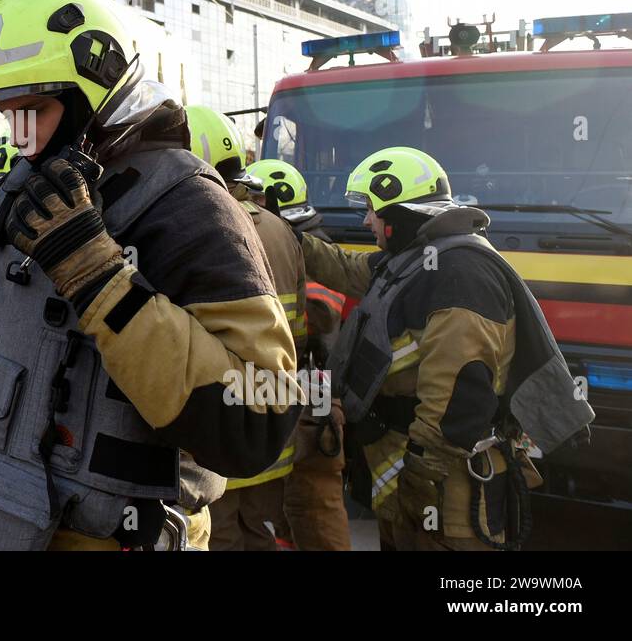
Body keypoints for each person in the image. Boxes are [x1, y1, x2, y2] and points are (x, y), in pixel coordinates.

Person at [0, 0, 299, 551]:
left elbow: (256, 419)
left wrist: (99, 279)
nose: (18, 138)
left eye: (32, 111)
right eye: (4, 115)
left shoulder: (191, 207)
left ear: (93, 95)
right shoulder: (7, 199)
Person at [303, 146, 593, 550]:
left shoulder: (460, 273)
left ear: (401, 214)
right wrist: (284, 236)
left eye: (372, 209)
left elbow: (454, 396)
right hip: (417, 480)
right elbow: (346, 268)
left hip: (449, 493)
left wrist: (420, 480)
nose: (366, 219)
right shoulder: (413, 259)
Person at [187, 107, 300, 551]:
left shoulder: (194, 229)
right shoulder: (279, 229)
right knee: (258, 532)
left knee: (227, 536)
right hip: (270, 425)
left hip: (216, 442)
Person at [246, 157, 351, 551]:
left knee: (314, 502)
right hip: (295, 388)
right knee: (285, 507)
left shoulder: (310, 244)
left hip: (315, 391)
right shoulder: (291, 238)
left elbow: (322, 318)